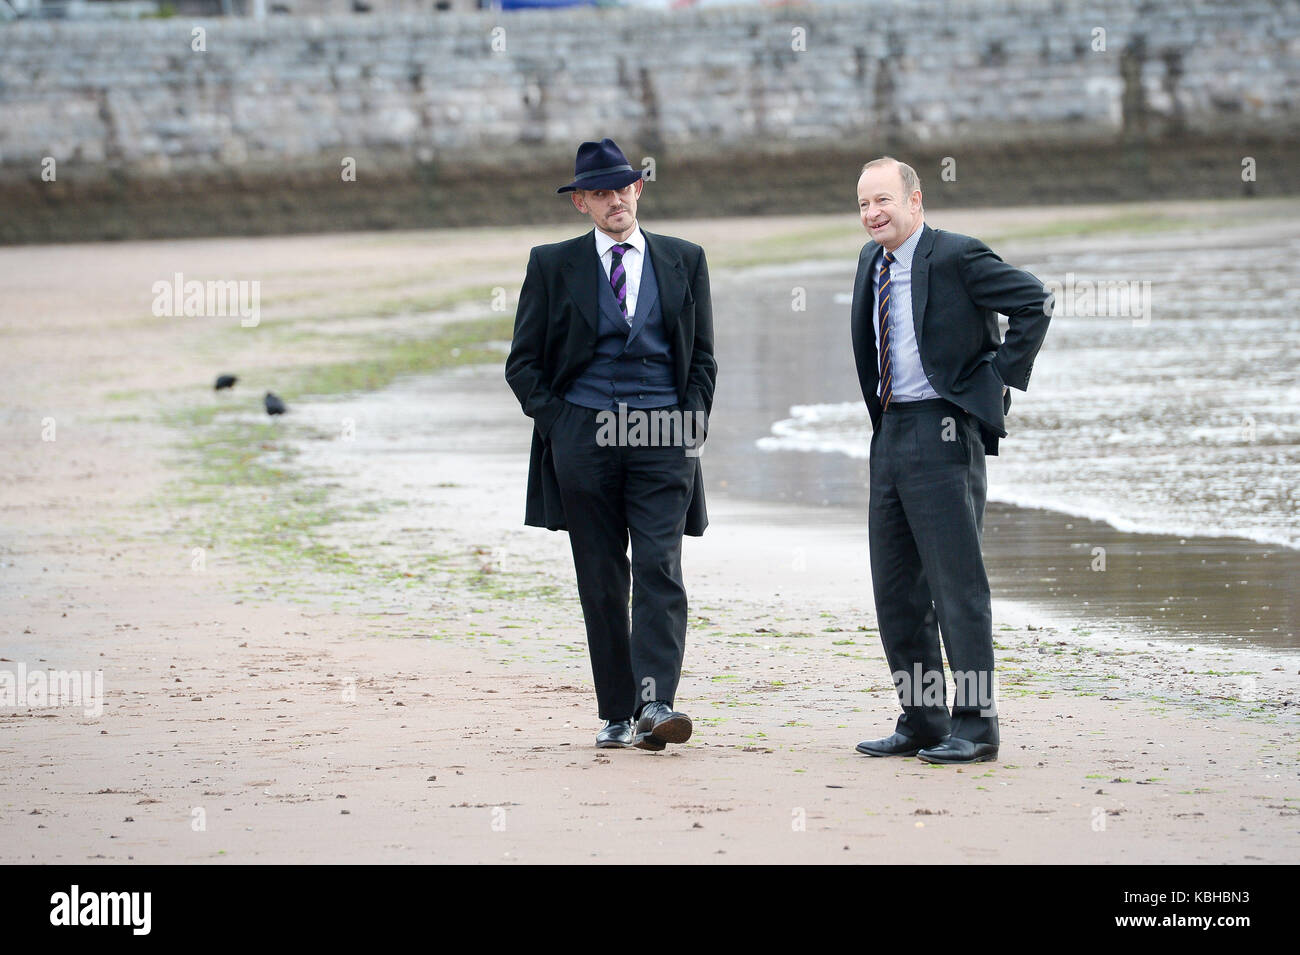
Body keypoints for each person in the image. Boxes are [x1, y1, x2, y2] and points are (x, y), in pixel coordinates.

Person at [504, 138, 717, 751]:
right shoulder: (551, 265)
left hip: (662, 435)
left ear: (639, 190)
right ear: (581, 204)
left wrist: (690, 422)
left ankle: (657, 704)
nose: (614, 200)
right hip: (585, 437)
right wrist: (563, 425)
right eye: (599, 192)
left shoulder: (685, 258)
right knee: (600, 575)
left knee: (659, 567)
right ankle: (618, 712)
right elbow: (524, 365)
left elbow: (701, 357)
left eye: (623, 187)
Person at [850, 157, 1053, 764]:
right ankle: (924, 718)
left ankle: (977, 726)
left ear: (916, 201)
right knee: (897, 591)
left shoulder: (958, 256)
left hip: (943, 431)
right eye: (863, 205)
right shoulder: (871, 262)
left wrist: (993, 380)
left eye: (883, 200)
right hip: (889, 430)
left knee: (956, 587)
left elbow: (1034, 301)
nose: (873, 214)